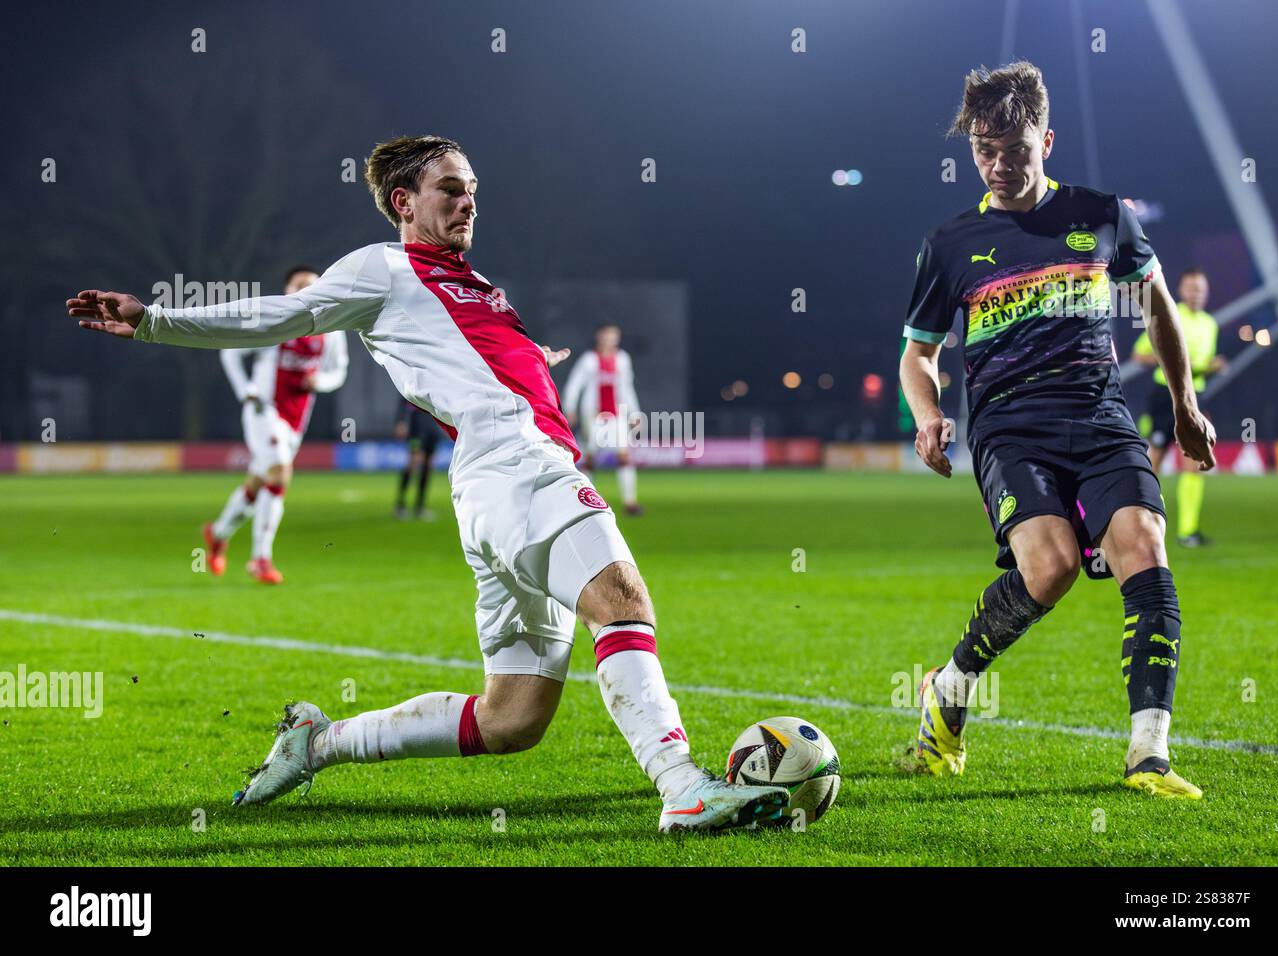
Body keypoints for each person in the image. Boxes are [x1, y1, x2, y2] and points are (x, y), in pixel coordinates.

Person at [67, 134, 786, 832]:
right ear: (404, 201)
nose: (468, 202)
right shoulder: (384, 268)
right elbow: (284, 315)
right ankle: (684, 787)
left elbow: (476, 358)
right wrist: (156, 320)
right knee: (621, 599)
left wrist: (535, 355)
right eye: (450, 188)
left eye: (472, 190)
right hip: (516, 469)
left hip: (499, 483)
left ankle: (315, 745)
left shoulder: (472, 284)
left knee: (512, 720)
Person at [898, 62, 1215, 798]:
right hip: (1012, 432)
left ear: (1047, 138)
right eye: (984, 150)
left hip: (1102, 418)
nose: (1000, 165)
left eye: (1014, 149)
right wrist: (929, 415)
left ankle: (1149, 753)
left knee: (1145, 546)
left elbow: (1158, 306)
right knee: (1052, 569)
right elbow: (918, 355)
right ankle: (948, 688)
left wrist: (1182, 403)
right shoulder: (952, 243)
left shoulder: (1102, 215)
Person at [203, 266, 350, 584]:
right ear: (286, 291)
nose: (305, 291)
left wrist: (320, 381)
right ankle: (261, 559)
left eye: (312, 286)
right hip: (262, 411)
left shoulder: (332, 330)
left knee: (260, 482)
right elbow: (230, 353)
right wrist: (246, 392)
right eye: (299, 286)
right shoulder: (273, 322)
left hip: (296, 418)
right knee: (280, 474)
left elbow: (338, 372)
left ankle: (217, 533)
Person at [1131, 267, 1225, 547]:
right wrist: (1180, 365)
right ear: (1182, 290)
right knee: (1153, 462)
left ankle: (1188, 530)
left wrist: (1209, 368)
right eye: (1193, 288)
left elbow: (1201, 365)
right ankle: (1142, 526)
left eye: (1202, 289)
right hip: (1165, 396)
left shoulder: (1211, 324)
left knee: (1195, 463)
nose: (1198, 294)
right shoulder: (1169, 314)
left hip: (1196, 397)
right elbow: (1140, 355)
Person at [561, 323, 643, 515]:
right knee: (589, 458)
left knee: (624, 456)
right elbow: (575, 384)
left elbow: (627, 387)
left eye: (614, 336)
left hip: (617, 415)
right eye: (607, 335)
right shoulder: (589, 359)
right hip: (593, 415)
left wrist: (635, 412)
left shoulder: (622, 359)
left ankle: (630, 503)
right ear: (599, 336)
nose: (610, 339)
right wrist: (570, 407)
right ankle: (586, 503)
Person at [393, 396, 442, 520]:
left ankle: (419, 507)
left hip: (433, 427)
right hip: (417, 428)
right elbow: (403, 400)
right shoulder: (415, 378)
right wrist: (400, 421)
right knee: (413, 463)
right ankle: (400, 505)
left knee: (427, 467)